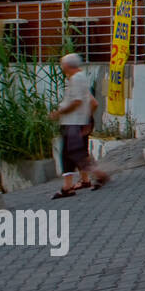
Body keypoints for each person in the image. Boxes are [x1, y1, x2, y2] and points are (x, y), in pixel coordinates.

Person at [49, 53, 108, 198]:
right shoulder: (82, 78)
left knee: (74, 153)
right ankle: (77, 183)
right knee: (73, 153)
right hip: (79, 122)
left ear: (67, 66)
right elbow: (93, 102)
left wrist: (59, 112)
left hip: (72, 122)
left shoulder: (75, 80)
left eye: (62, 64)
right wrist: (88, 119)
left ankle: (98, 175)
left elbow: (76, 102)